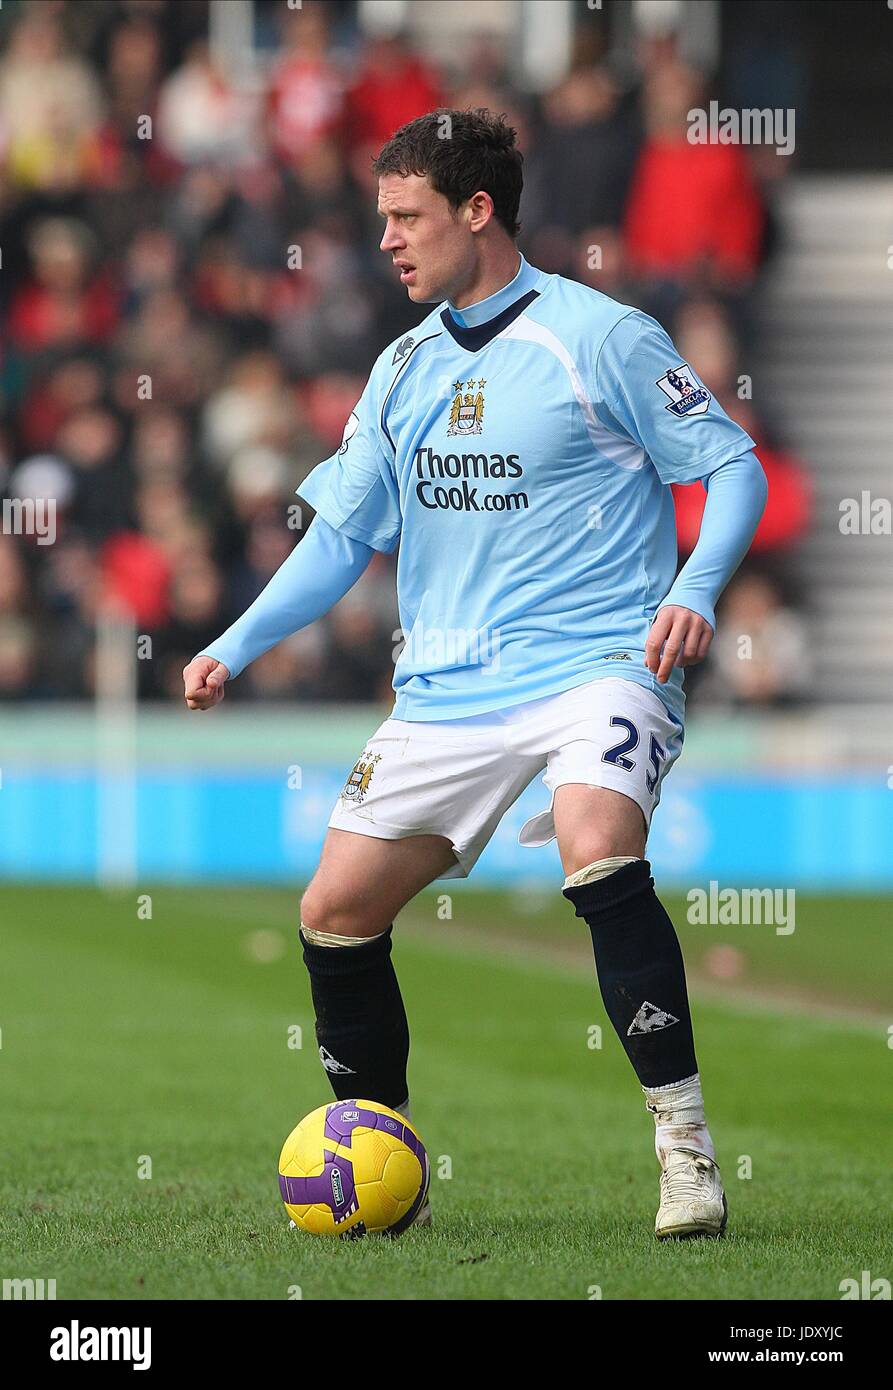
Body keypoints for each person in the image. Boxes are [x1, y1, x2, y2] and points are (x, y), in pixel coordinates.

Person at [183, 109, 767, 1240]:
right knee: (333, 913)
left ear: (476, 210)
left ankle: (686, 1156)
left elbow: (730, 466)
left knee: (598, 839)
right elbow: (341, 540)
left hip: (598, 660)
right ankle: (376, 1157)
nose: (387, 241)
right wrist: (232, 644)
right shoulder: (399, 367)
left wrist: (692, 591)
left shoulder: (599, 335)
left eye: (406, 218)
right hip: (446, 689)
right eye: (382, 219)